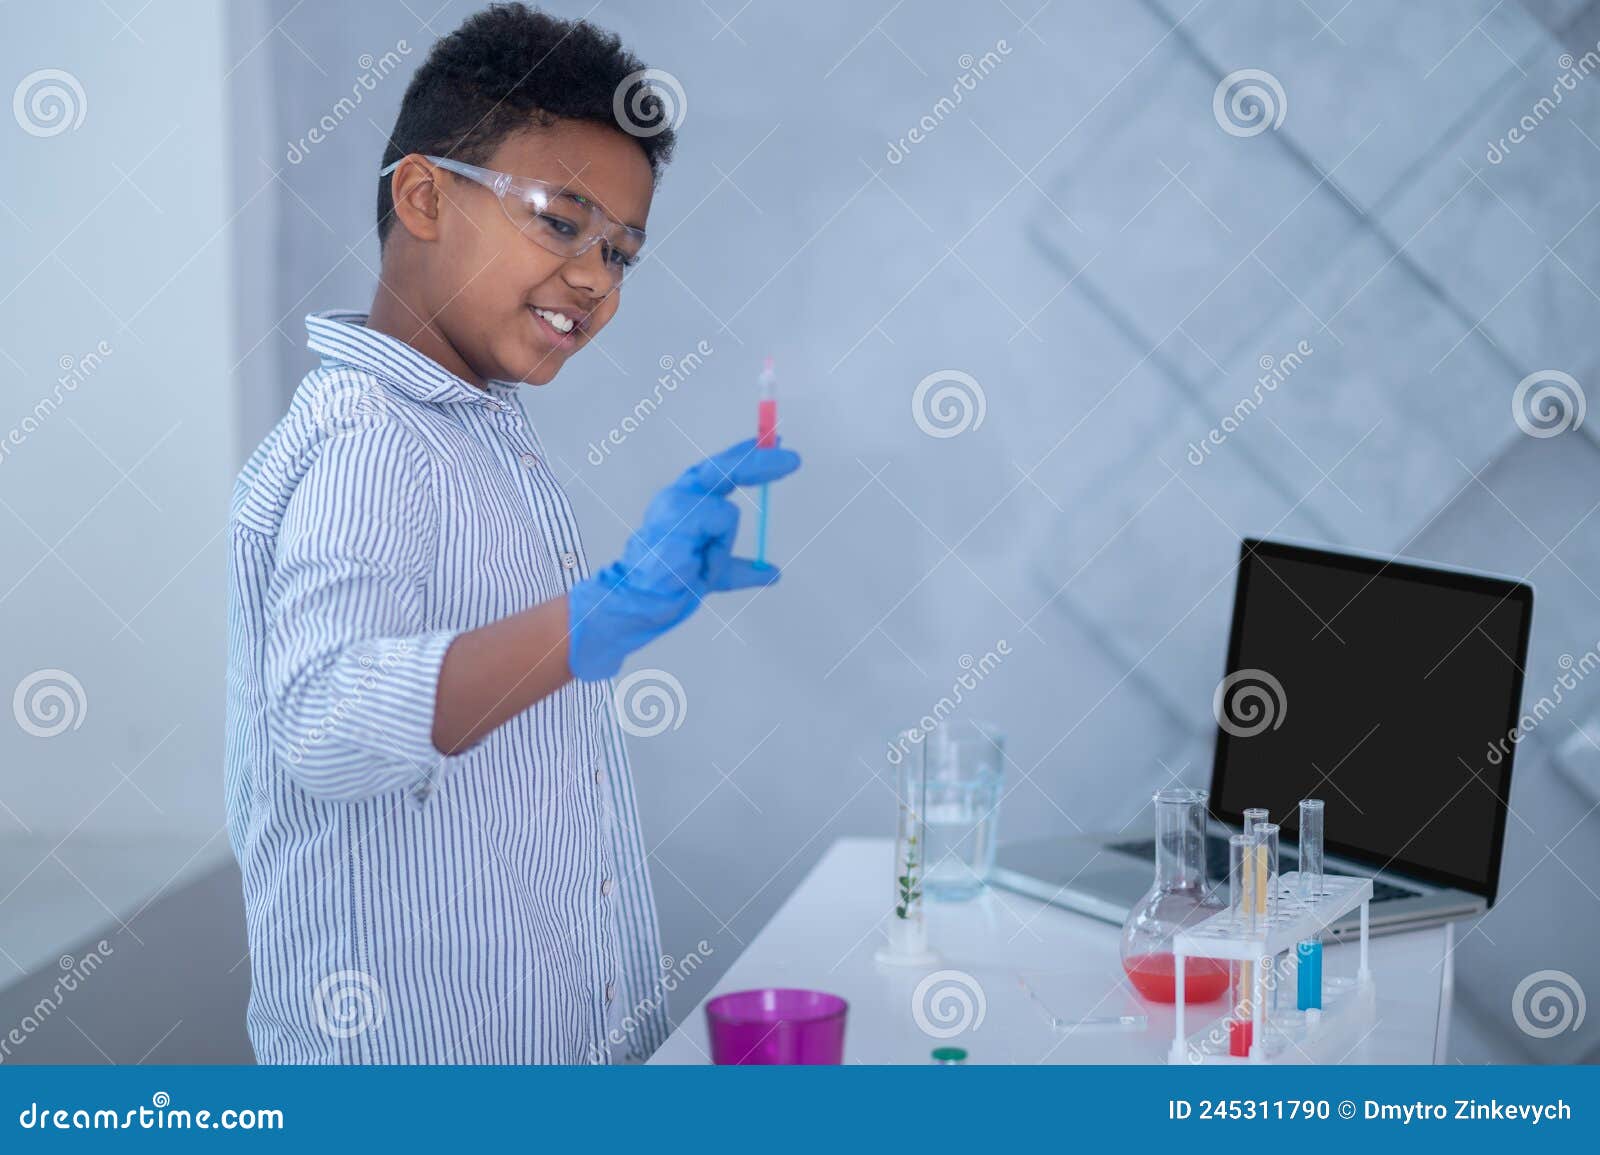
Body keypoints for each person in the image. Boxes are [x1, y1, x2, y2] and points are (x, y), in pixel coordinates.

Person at [224, 3, 799, 1064]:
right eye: (561, 220)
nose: (594, 277)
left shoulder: (476, 435)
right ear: (425, 195)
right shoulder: (368, 441)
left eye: (622, 251)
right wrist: (603, 612)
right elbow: (322, 724)